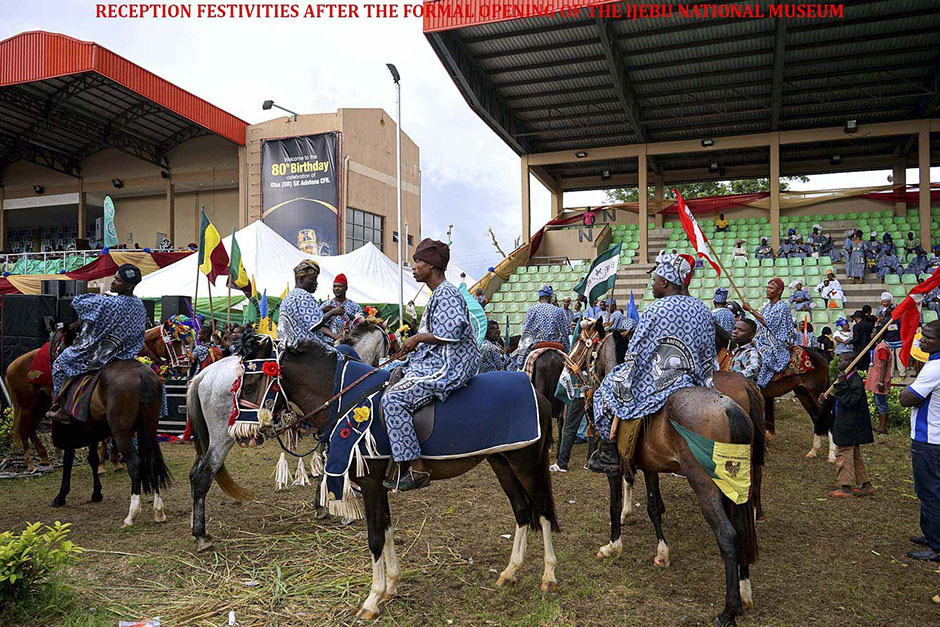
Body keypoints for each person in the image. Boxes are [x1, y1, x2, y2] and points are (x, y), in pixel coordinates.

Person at [589, 254, 716, 473]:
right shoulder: (703, 309)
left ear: (665, 282)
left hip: (659, 382)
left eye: (655, 280)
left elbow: (636, 353)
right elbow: (708, 352)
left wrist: (626, 372)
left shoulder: (655, 310)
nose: (652, 285)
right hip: (698, 379)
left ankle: (610, 452)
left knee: (605, 391)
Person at [381, 238, 480, 491]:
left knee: (393, 400)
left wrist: (417, 338)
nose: (413, 267)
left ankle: (416, 469)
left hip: (449, 365)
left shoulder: (446, 292)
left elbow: (452, 333)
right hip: (433, 359)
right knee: (384, 372)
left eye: (418, 262)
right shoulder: (437, 294)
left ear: (432, 266)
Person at [48, 264, 147, 421]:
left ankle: (62, 406)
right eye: (114, 278)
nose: (113, 282)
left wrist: (104, 296)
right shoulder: (139, 305)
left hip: (99, 355)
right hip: (125, 355)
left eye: (118, 280)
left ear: (129, 286)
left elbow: (77, 302)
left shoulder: (107, 302)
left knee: (60, 363)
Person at [898, 320, 940, 562]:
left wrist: (913, 392)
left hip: (929, 440)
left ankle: (936, 545)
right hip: (933, 438)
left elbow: (905, 398)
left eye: (929, 337)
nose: (922, 340)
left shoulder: (934, 368)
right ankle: (931, 534)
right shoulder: (932, 364)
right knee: (930, 491)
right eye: (923, 335)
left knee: (930, 492)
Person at [819, 352, 875, 498]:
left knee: (843, 453)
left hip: (850, 425)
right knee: (855, 456)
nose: (838, 363)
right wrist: (827, 399)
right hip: (845, 422)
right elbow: (840, 399)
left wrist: (842, 384)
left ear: (851, 362)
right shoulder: (844, 379)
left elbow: (850, 401)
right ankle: (866, 485)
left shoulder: (854, 381)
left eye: (842, 361)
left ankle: (846, 487)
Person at [278, 260, 343, 348]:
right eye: (313, 279)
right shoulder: (304, 296)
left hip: (292, 349)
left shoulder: (289, 296)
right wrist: (332, 313)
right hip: (310, 351)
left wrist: (321, 311)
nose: (316, 283)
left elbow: (302, 320)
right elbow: (315, 325)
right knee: (347, 351)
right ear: (301, 279)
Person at [743, 278, 794, 388]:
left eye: (771, 288)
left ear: (779, 291)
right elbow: (758, 322)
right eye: (767, 287)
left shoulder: (781, 306)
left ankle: (759, 385)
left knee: (765, 356)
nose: (767, 290)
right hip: (762, 339)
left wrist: (751, 310)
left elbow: (767, 322)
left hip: (776, 343)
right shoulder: (766, 306)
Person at [508, 285, 571, 371]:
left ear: (539, 298)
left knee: (520, 366)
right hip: (555, 343)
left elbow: (525, 332)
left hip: (537, 344)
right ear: (549, 298)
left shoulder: (532, 310)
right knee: (568, 369)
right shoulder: (558, 310)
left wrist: (521, 358)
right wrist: (567, 351)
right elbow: (565, 332)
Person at [866, 336, 894, 435]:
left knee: (882, 403)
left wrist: (881, 381)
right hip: (877, 378)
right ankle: (881, 426)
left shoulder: (882, 347)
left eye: (874, 333)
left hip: (880, 380)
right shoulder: (879, 346)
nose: (872, 334)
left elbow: (883, 364)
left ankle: (883, 427)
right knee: (879, 402)